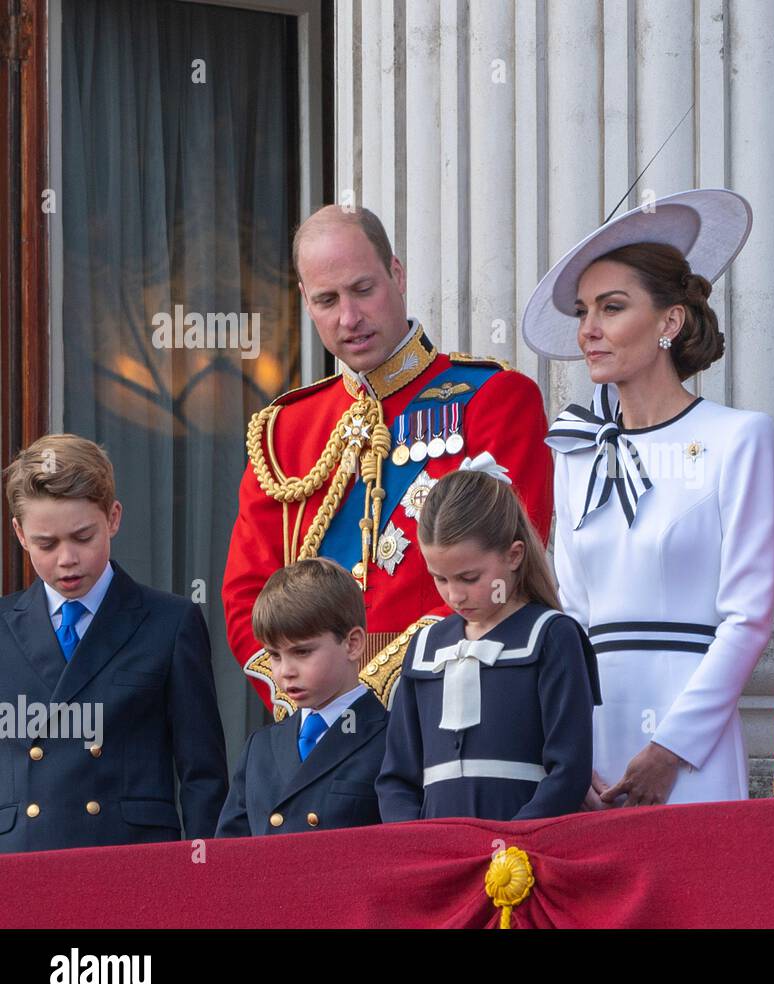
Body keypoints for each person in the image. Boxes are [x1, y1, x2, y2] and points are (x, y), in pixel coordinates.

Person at [222, 205, 553, 719]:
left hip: (449, 709)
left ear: (396, 275)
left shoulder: (491, 398)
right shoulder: (284, 430)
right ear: (306, 302)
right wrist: (308, 697)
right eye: (328, 300)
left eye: (363, 289)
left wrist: (377, 693)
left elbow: (510, 567)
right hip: (316, 728)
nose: (349, 318)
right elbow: (248, 595)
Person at [524, 188, 774, 806]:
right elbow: (572, 617)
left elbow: (746, 618)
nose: (589, 330)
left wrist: (671, 750)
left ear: (669, 321)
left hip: (693, 745)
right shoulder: (575, 449)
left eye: (611, 308)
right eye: (584, 311)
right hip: (593, 739)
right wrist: (566, 748)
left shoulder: (738, 437)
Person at [0, 434, 227, 852]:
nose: (67, 558)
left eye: (83, 537)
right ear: (19, 533)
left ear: (114, 518)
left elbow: (202, 774)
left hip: (128, 858)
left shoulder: (170, 623)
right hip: (20, 860)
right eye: (46, 544)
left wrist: (203, 877)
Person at [376, 456, 599, 821]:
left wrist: (511, 843)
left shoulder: (552, 636)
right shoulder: (424, 647)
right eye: (440, 579)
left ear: (514, 555)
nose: (454, 596)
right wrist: (416, 845)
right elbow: (397, 778)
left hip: (520, 857)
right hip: (437, 856)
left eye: (468, 578)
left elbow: (568, 771)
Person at [217, 557, 387, 836]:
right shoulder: (259, 748)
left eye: (302, 652)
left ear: (352, 644)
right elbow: (229, 855)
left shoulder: (393, 740)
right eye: (274, 655)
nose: (286, 671)